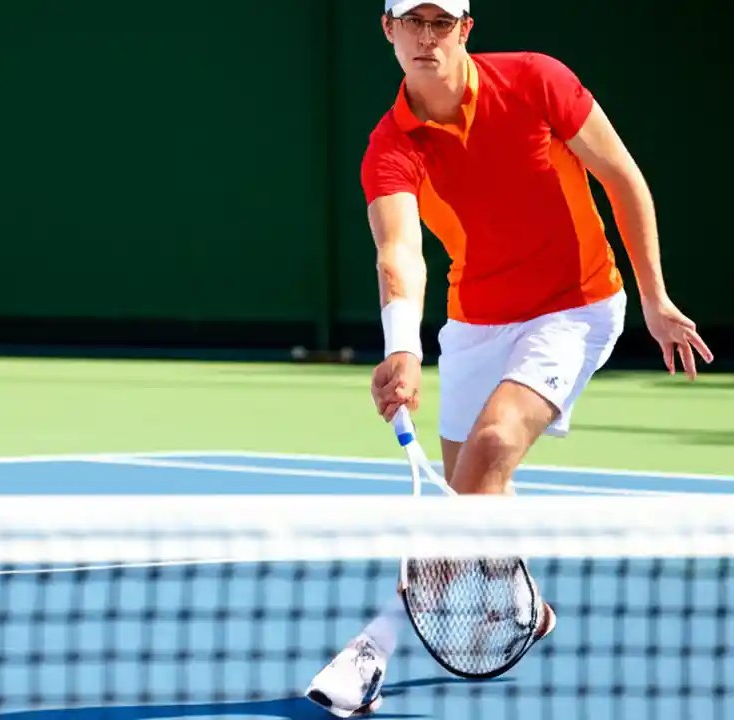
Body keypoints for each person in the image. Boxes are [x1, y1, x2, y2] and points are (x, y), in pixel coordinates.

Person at [305, 0, 713, 714]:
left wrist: (654, 296)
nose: (426, 37)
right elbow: (399, 252)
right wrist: (402, 348)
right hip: (475, 323)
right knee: (476, 486)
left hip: (576, 306)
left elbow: (621, 176)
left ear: (465, 29)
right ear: (388, 29)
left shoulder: (537, 81)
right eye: (413, 22)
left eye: (441, 23)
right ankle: (527, 604)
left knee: (489, 450)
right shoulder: (388, 146)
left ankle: (379, 642)